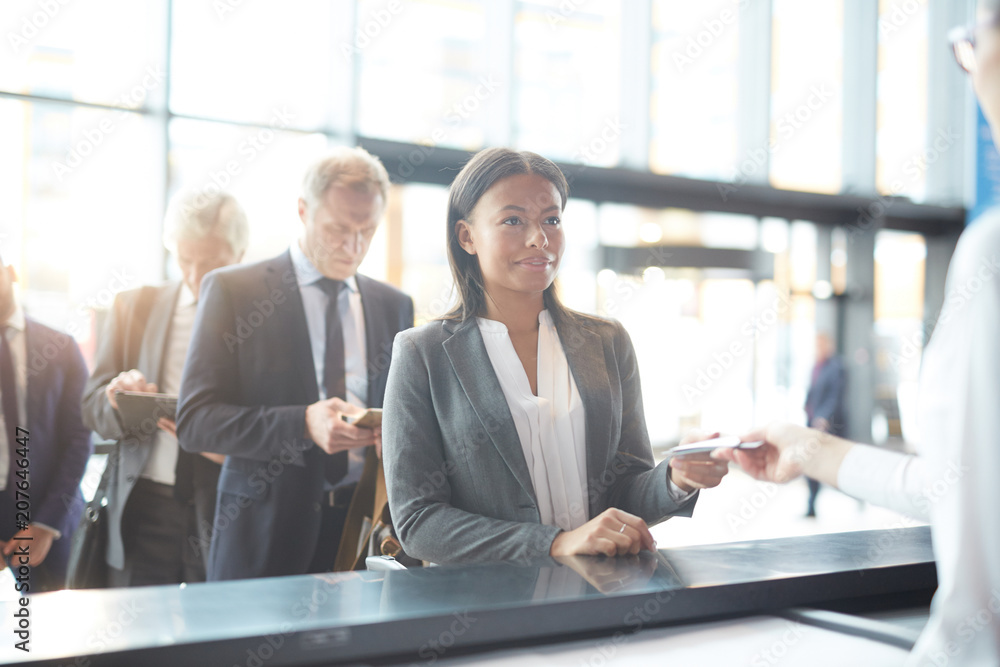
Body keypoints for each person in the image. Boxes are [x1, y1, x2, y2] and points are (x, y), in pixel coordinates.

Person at [717, 4, 1000, 662]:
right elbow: (961, 484)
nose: (968, 63)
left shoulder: (992, 252)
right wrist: (808, 447)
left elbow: (976, 612)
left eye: (971, 38)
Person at [382, 148, 729, 565]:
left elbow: (625, 490)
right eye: (513, 220)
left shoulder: (607, 341)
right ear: (466, 236)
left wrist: (675, 478)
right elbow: (419, 522)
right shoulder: (422, 354)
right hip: (483, 610)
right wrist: (554, 543)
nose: (539, 239)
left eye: (551, 219)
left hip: (601, 592)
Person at [177, 147, 414, 581]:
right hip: (261, 539)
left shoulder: (394, 305)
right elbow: (196, 421)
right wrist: (302, 423)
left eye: (367, 230)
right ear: (303, 211)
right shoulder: (235, 291)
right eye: (338, 228)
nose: (353, 245)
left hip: (365, 537)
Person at [81, 190, 248, 587]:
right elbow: (91, 407)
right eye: (184, 260)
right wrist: (117, 399)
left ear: (240, 254)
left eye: (210, 263)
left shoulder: (266, 316)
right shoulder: (134, 306)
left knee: (216, 635)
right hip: (143, 503)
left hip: (226, 501)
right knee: (134, 636)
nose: (194, 276)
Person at [0, 253, 92, 592]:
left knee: (51, 634)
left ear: (10, 272)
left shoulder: (60, 347)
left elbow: (80, 437)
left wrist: (46, 524)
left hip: (46, 510)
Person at [803, 332, 846, 517]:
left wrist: (823, 417)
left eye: (821, 344)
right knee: (809, 462)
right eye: (816, 344)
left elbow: (834, 397)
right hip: (812, 422)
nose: (818, 347)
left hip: (826, 424)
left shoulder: (836, 367)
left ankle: (858, 496)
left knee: (831, 463)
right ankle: (811, 504)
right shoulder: (816, 366)